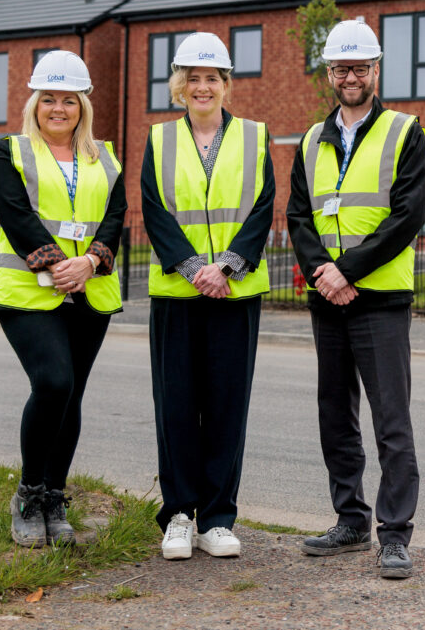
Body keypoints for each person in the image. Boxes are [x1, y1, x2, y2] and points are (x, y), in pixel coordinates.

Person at [286, 18, 425, 579]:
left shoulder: (405, 130)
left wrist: (345, 270)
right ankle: (350, 519)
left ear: (376, 70)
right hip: (328, 298)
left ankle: (394, 535)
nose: (351, 76)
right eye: (341, 68)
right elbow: (299, 216)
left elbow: (407, 216)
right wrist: (323, 275)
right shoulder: (309, 140)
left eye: (360, 67)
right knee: (334, 415)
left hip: (380, 299)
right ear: (329, 73)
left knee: (392, 421)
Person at [140, 31, 274, 561]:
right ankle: (177, 514)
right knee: (175, 404)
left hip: (236, 292)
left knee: (225, 406)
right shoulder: (158, 139)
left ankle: (217, 518)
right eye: (193, 78)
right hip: (178, 291)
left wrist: (227, 267)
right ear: (179, 85)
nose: (202, 87)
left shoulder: (256, 137)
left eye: (212, 78)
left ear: (226, 85)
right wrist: (198, 268)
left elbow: (262, 207)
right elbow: (154, 210)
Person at [0, 50, 125, 548]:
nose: (59, 109)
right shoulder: (10, 150)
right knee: (53, 381)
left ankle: (54, 496)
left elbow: (115, 217)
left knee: (71, 396)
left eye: (69, 100)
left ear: (83, 106)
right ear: (35, 103)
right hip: (28, 290)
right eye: (49, 99)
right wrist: (54, 264)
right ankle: (28, 493)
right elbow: (14, 212)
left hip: (89, 291)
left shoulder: (104, 156)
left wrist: (89, 262)